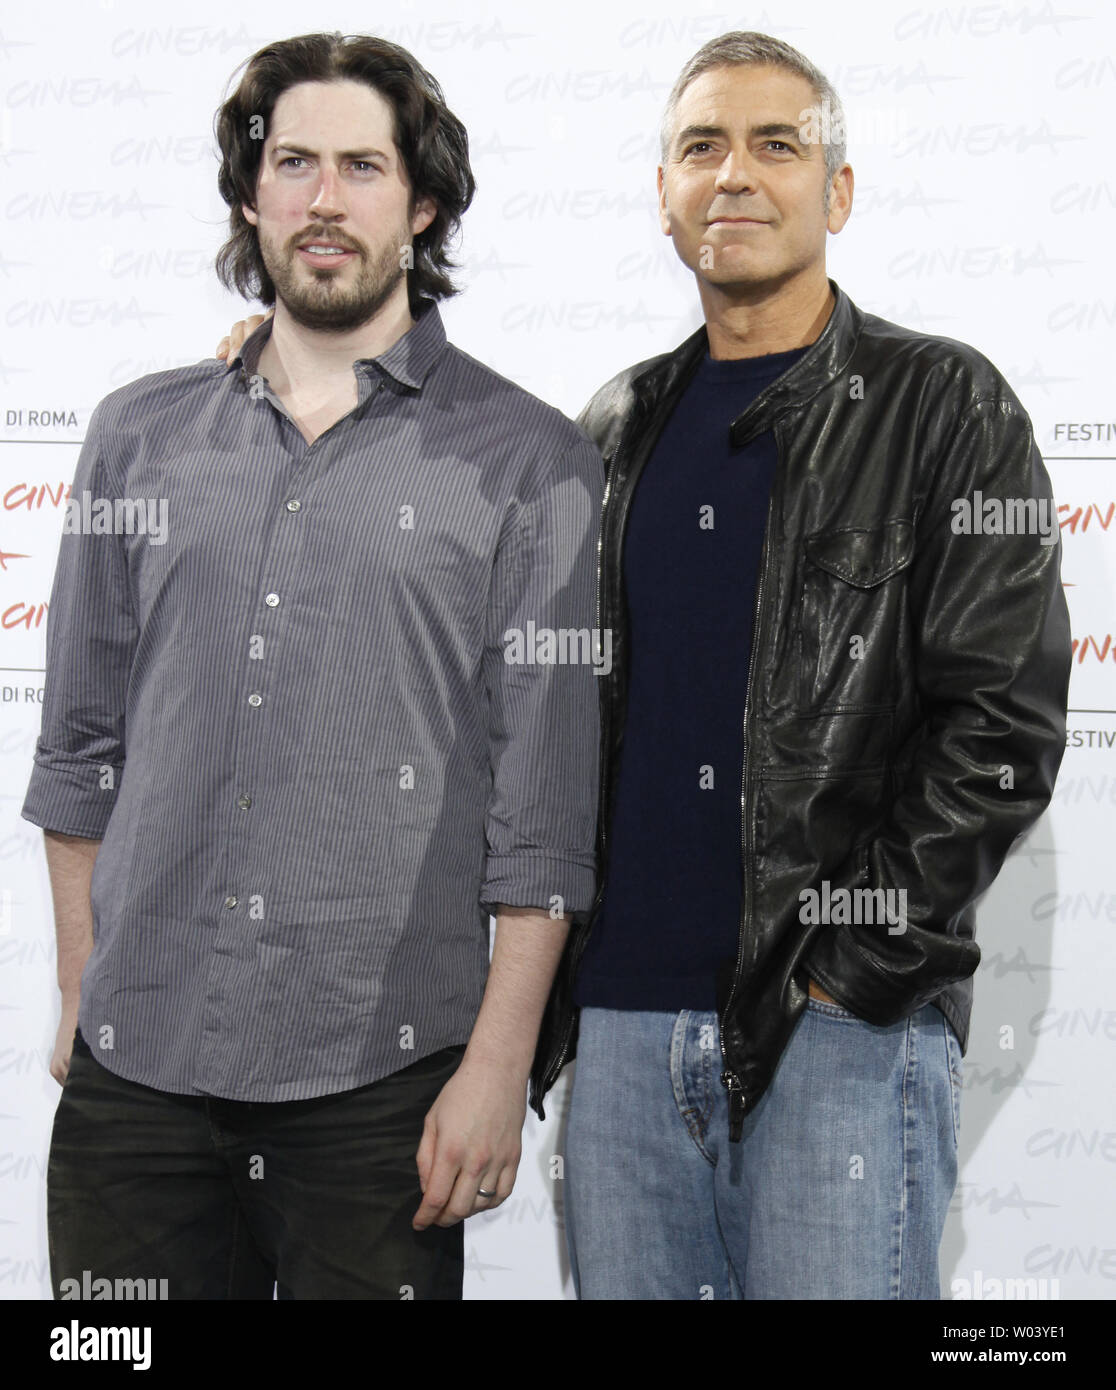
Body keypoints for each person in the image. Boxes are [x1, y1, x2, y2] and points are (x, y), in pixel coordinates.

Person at [25, 31, 602, 1301]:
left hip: (381, 1090)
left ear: (424, 202)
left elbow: (546, 818)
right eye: (293, 164)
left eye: (361, 167)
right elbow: (78, 750)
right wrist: (80, 989)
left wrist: (499, 1067)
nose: (324, 200)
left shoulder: (531, 461)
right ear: (251, 194)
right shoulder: (137, 434)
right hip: (140, 1077)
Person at [531, 31, 1069, 1299]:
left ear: (836, 191)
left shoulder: (945, 406)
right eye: (701, 146)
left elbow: (999, 728)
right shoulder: (610, 426)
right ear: (662, 192)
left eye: (778, 144)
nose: (734, 175)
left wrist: (844, 970)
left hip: (839, 1025)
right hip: (616, 1034)